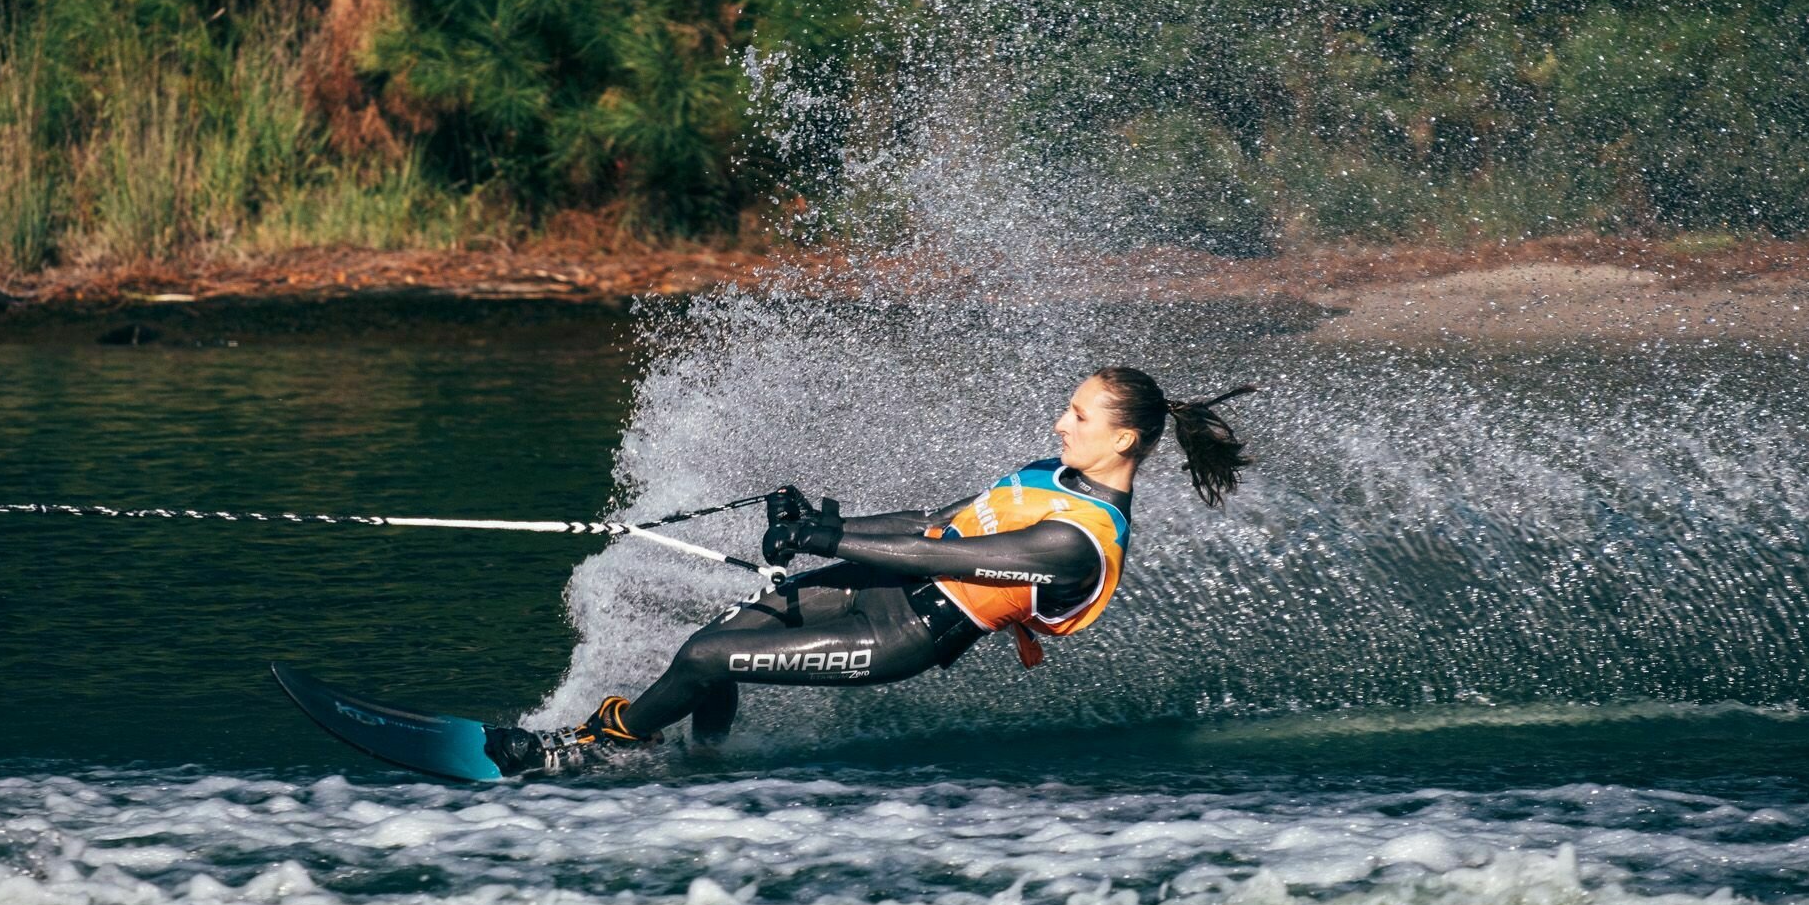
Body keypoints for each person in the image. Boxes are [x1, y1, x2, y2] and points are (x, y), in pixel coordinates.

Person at [486, 366, 1253, 774]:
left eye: (1079, 416)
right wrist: (821, 527)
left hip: (909, 631)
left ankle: (581, 750)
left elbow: (940, 558)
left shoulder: (1080, 542)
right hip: (884, 584)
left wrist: (827, 537)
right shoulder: (1046, 473)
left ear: (1122, 441)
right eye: (1068, 407)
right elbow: (929, 523)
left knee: (702, 657)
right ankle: (702, 759)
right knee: (710, 645)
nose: (1060, 421)